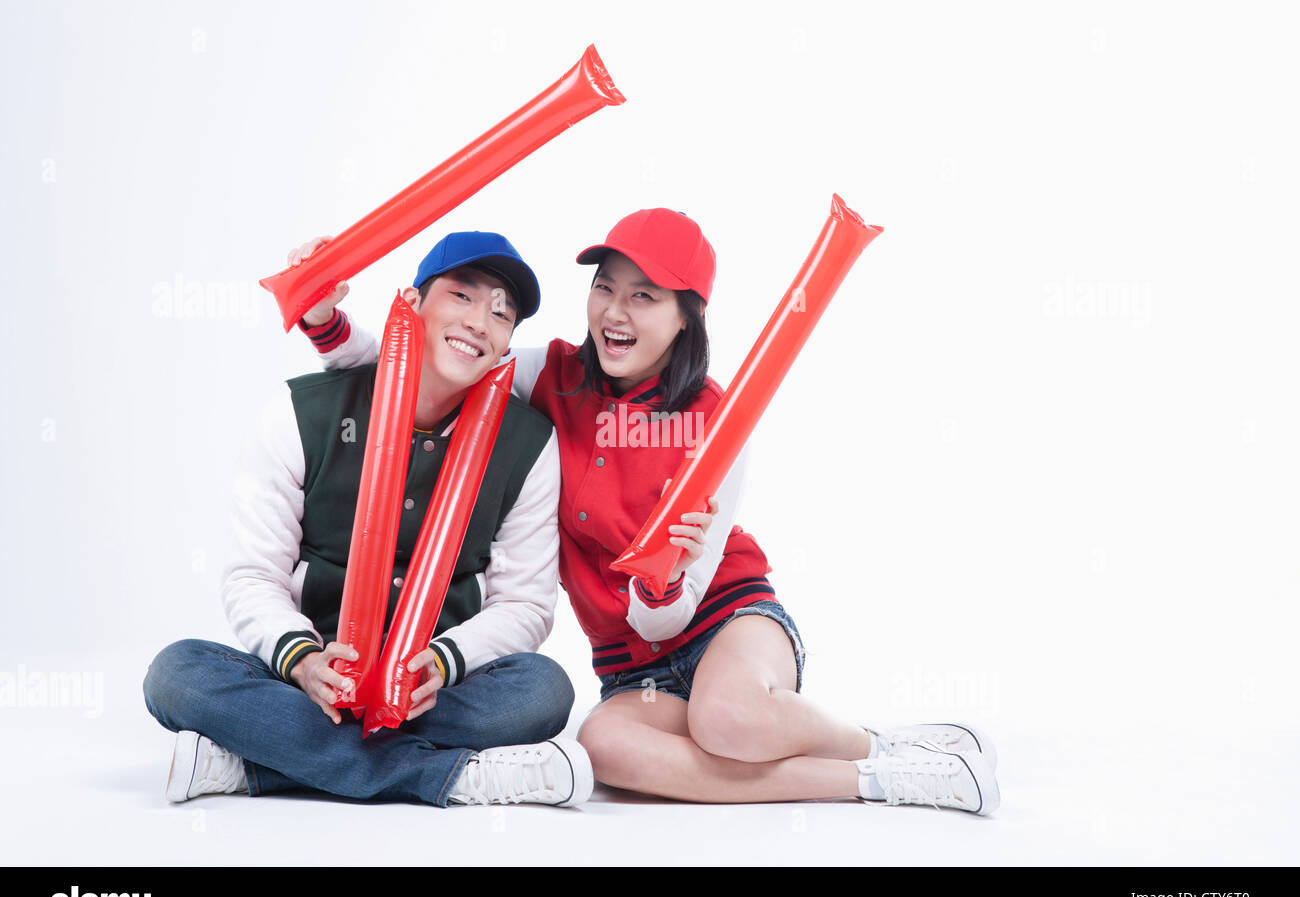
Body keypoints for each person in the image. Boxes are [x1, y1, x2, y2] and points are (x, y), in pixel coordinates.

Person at [300, 210, 1001, 814]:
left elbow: (674, 609)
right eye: (604, 287)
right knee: (601, 746)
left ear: (684, 315)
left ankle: (883, 749)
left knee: (727, 718)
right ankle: (872, 781)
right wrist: (330, 327)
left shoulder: (714, 423)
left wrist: (665, 581)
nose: (614, 312)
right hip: (633, 671)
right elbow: (433, 366)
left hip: (724, 619)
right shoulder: (551, 374)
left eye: (643, 296)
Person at [142, 231, 593, 809]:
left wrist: (443, 662)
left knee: (544, 691)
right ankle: (455, 777)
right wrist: (303, 663)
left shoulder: (529, 442)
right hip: (310, 679)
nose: (481, 321)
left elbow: (525, 604)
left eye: (502, 313)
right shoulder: (305, 411)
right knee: (176, 674)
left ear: (507, 342)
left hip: (432, 684)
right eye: (462, 296)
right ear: (412, 304)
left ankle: (257, 765)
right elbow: (254, 575)